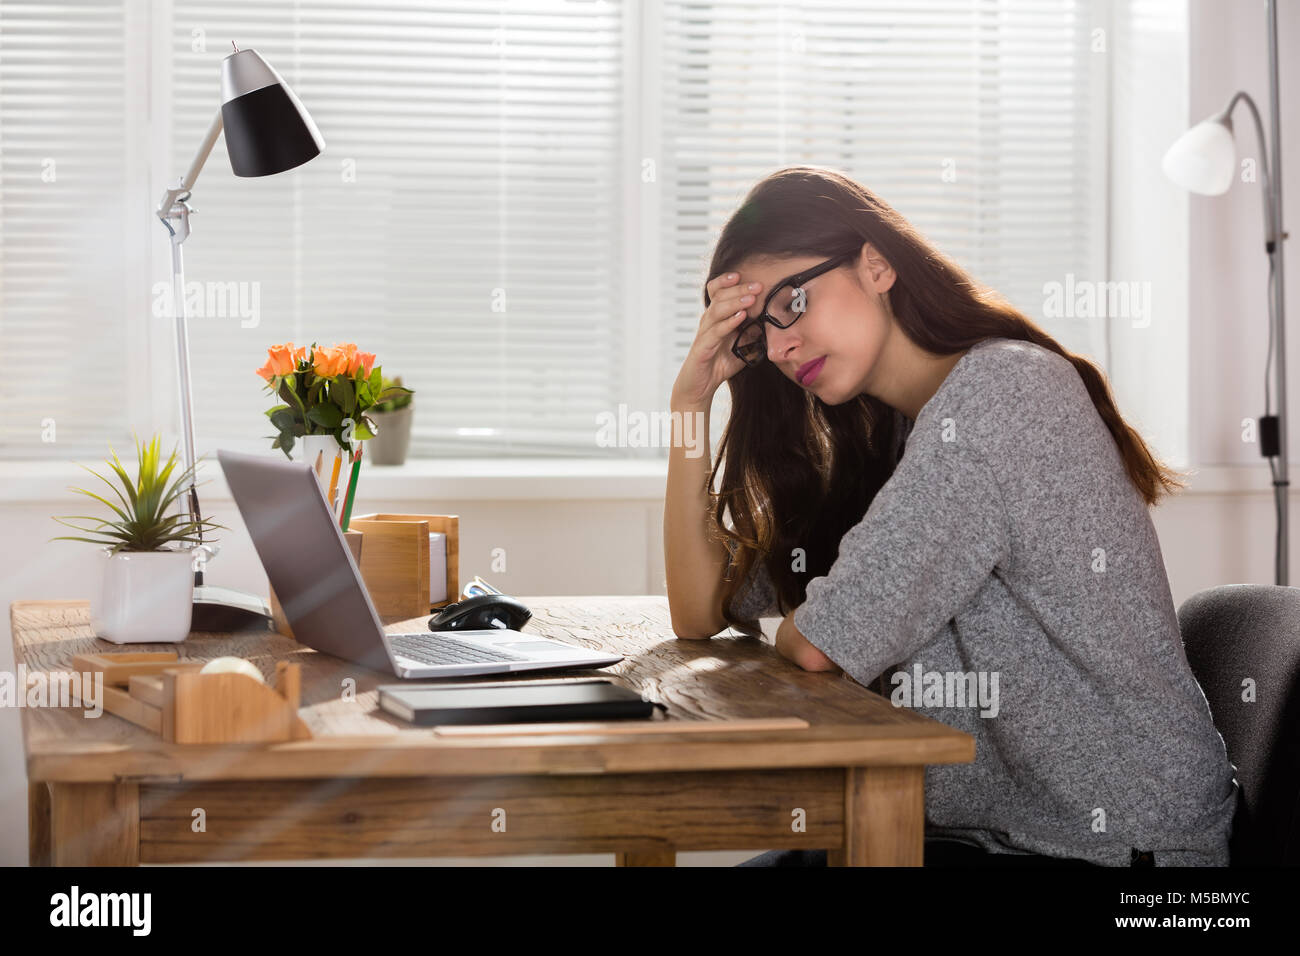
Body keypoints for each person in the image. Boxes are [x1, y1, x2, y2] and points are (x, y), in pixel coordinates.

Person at [662, 165, 1239, 867]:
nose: (779, 346)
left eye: (793, 301)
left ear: (876, 264)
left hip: (1115, 853)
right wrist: (689, 408)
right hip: (970, 836)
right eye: (758, 334)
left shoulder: (1004, 395)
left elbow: (821, 644)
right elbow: (700, 610)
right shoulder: (890, 435)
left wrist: (816, 623)